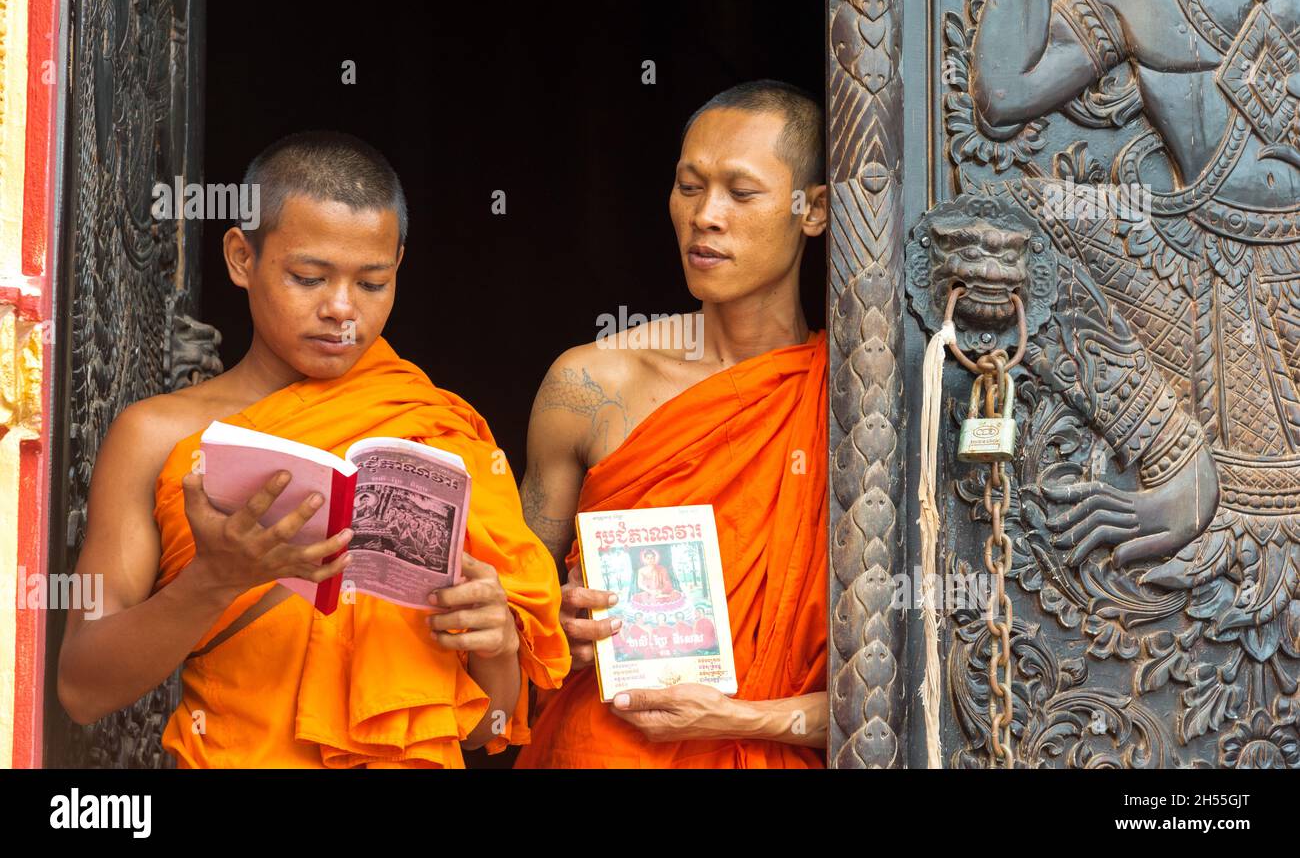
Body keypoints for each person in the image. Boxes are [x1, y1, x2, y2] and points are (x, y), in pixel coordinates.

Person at [57, 131, 568, 767]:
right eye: (308, 277)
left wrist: (495, 645)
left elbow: (478, 728)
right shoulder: (155, 437)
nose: (342, 310)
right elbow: (82, 687)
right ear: (242, 258)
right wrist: (215, 580)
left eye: (373, 284)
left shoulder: (434, 433)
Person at [515, 80, 829, 768]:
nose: (705, 216)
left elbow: (910, 681)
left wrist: (739, 718)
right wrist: (553, 630)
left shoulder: (857, 403)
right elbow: (508, 632)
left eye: (741, 193)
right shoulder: (591, 384)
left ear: (814, 210)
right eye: (690, 187)